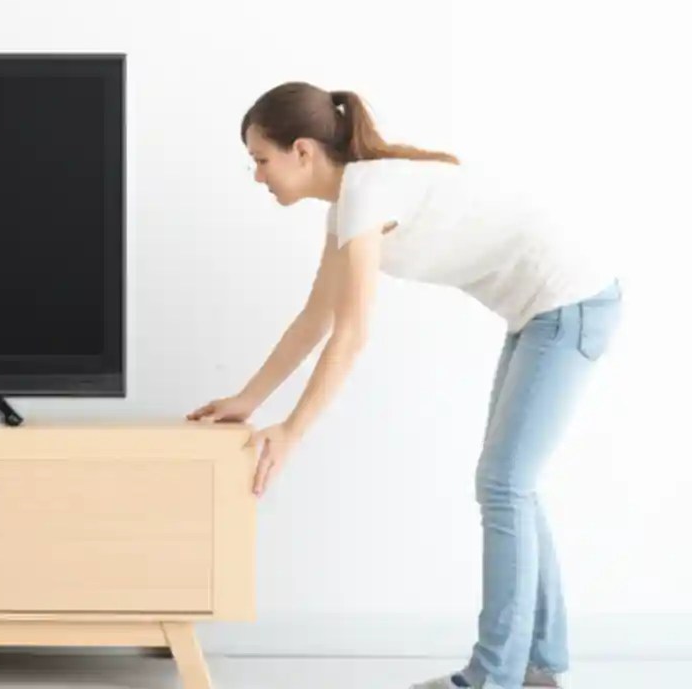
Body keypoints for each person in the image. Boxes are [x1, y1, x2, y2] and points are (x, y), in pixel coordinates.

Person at [187, 81, 622, 689]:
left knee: (504, 486)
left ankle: (493, 678)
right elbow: (318, 317)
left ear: (303, 151)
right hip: (548, 312)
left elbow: (353, 331)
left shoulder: (367, 193)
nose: (257, 175)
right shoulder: (353, 202)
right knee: (511, 486)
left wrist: (292, 431)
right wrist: (251, 401)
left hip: (571, 304)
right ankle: (538, 665)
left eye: (261, 159)